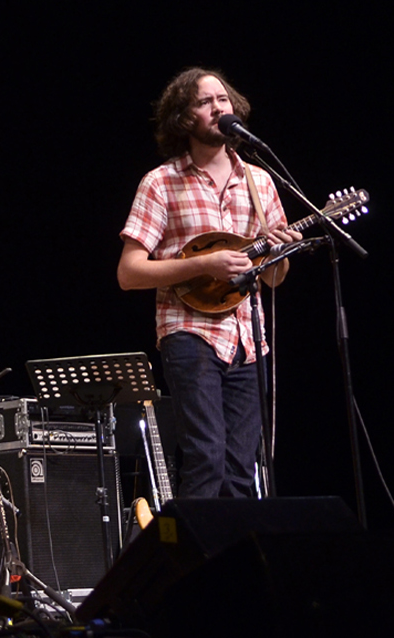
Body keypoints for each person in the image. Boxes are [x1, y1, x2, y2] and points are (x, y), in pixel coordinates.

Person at [117, 67, 300, 499]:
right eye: (204, 102)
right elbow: (129, 273)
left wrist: (277, 253)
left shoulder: (259, 182)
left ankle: (234, 565)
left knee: (242, 470)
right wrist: (206, 265)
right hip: (189, 333)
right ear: (184, 117)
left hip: (248, 340)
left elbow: (274, 278)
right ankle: (192, 566)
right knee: (206, 460)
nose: (218, 108)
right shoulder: (161, 182)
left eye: (223, 99)